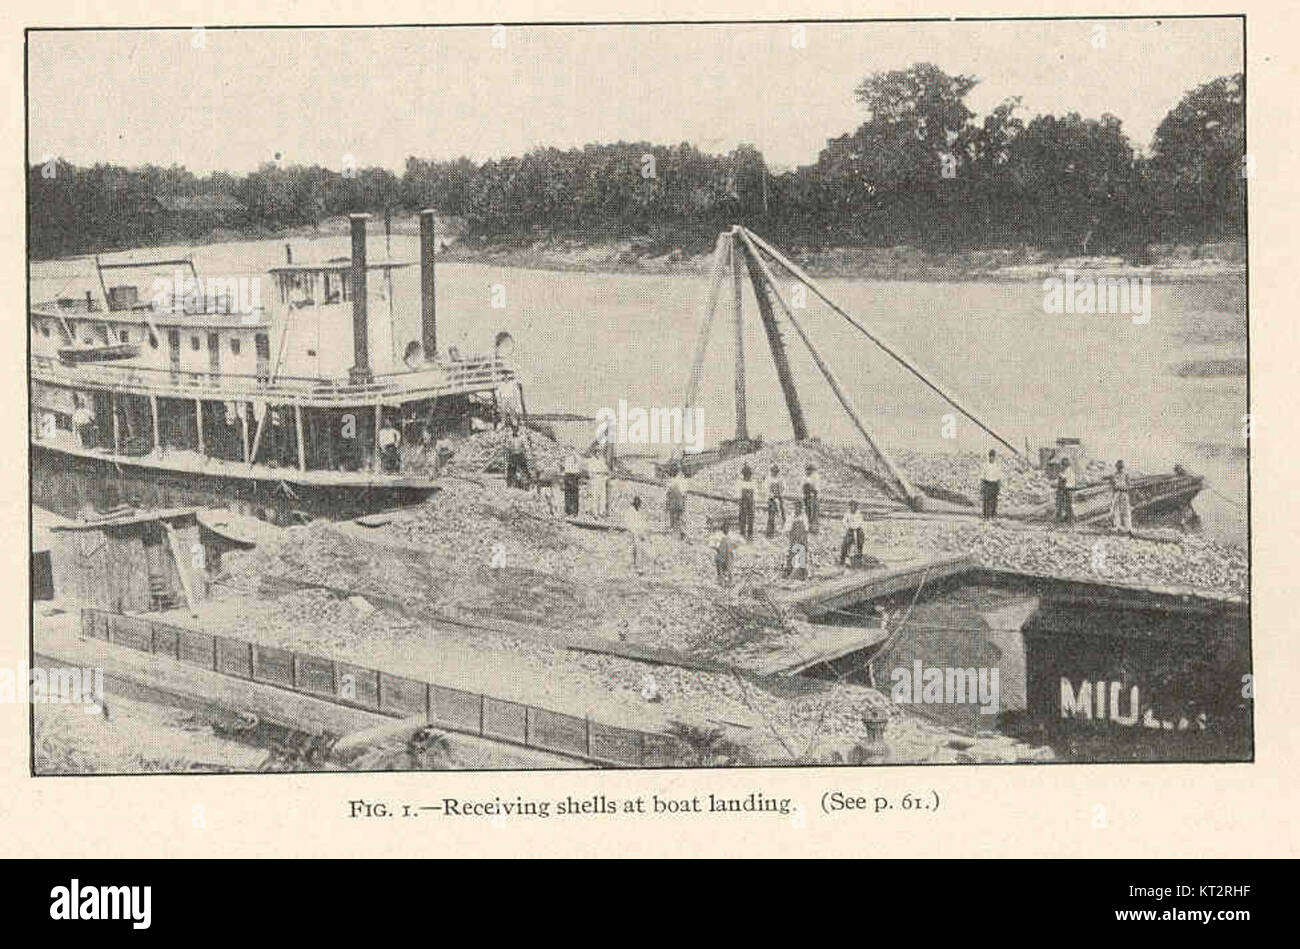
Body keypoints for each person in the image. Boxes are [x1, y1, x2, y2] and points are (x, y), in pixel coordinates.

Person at [785, 506, 809, 580]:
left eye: (799, 508)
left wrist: (805, 537)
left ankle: (803, 574)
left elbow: (806, 527)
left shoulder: (803, 516)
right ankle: (788, 572)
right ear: (795, 508)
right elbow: (787, 526)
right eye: (796, 508)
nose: (798, 509)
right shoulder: (791, 516)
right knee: (791, 553)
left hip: (801, 536)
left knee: (802, 553)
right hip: (793, 536)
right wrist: (789, 534)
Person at [625, 495, 648, 570]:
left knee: (640, 549)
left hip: (638, 532)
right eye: (637, 503)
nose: (638, 505)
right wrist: (633, 531)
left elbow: (642, 522)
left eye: (639, 503)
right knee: (633, 548)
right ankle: (632, 563)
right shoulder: (630, 511)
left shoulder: (639, 511)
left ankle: (638, 564)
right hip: (632, 532)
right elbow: (628, 523)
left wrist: (642, 532)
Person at [665, 464, 688, 538]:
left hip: (678, 501)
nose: (673, 472)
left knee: (678, 517)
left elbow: (683, 494)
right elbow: (668, 493)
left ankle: (681, 533)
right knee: (674, 517)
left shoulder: (680, 480)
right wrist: (668, 503)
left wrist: (683, 503)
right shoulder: (673, 480)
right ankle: (675, 532)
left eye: (675, 470)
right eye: (673, 470)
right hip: (674, 501)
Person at [840, 500, 865, 566]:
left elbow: (861, 521)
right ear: (850, 506)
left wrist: (857, 527)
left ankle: (859, 557)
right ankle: (844, 558)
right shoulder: (847, 513)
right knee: (845, 543)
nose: (853, 507)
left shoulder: (858, 513)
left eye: (854, 506)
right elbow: (844, 522)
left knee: (860, 541)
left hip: (857, 529)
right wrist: (848, 527)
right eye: (851, 506)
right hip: (850, 530)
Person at [1110, 459, 1133, 533]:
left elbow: (1128, 485)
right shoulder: (1114, 475)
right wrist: (1117, 487)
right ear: (1117, 467)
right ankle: (1116, 526)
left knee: (1125, 510)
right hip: (1117, 493)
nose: (1120, 468)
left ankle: (1128, 527)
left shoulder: (1126, 475)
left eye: (1121, 467)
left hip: (1123, 493)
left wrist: (1122, 487)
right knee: (1115, 510)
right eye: (1119, 466)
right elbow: (1113, 485)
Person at [979, 449, 1003, 519]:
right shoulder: (985, 465)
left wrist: (999, 486)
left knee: (994, 500)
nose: (991, 458)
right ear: (989, 457)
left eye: (993, 456)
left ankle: (993, 515)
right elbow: (982, 476)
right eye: (990, 456)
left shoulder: (997, 466)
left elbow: (999, 477)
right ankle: (985, 515)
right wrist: (982, 486)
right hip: (987, 483)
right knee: (986, 500)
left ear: (995, 457)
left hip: (994, 484)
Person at [585, 449, 609, 517]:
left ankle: (601, 511)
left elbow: (606, 469)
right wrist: (594, 476)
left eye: (599, 453)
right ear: (594, 454)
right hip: (594, 480)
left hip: (602, 480)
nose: (598, 454)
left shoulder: (602, 460)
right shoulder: (591, 461)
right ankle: (594, 512)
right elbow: (590, 472)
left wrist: (604, 475)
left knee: (602, 496)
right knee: (594, 496)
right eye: (597, 453)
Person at [711, 522, 736, 586]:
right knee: (728, 567)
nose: (726, 530)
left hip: (724, 557)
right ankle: (727, 580)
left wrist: (716, 548)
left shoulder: (723, 539)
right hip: (728, 557)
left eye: (726, 528)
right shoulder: (730, 538)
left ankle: (722, 580)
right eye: (725, 529)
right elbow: (732, 549)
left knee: (718, 561)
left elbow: (720, 549)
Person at [505, 424, 529, 489]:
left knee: (524, 470)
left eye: (516, 429)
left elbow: (525, 446)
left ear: (517, 430)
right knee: (511, 470)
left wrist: (525, 453)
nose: (515, 430)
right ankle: (509, 485)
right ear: (512, 430)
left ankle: (526, 485)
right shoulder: (509, 438)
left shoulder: (521, 438)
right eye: (513, 429)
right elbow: (507, 447)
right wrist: (507, 456)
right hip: (513, 455)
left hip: (520, 455)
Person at [736, 463, 756, 542]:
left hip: (750, 502)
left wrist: (752, 500)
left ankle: (750, 534)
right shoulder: (740, 482)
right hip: (743, 501)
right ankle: (742, 533)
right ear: (744, 474)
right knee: (742, 518)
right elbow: (738, 493)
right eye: (746, 474)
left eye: (748, 474)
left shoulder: (752, 482)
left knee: (751, 518)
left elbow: (754, 492)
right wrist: (741, 500)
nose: (748, 476)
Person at [765, 464, 786, 537]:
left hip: (779, 497)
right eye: (773, 471)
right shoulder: (768, 479)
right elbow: (766, 489)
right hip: (771, 499)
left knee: (782, 514)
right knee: (771, 515)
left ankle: (781, 530)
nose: (775, 473)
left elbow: (783, 488)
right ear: (771, 471)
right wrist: (772, 496)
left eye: (776, 471)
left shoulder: (780, 479)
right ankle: (770, 532)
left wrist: (780, 494)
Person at [1055, 458, 1077, 523]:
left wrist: (1059, 476)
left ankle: (1070, 519)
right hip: (1070, 488)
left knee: (1067, 505)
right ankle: (1068, 518)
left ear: (1064, 465)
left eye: (1062, 464)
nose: (1062, 466)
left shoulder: (1067, 471)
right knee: (1068, 505)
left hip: (1068, 489)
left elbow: (1063, 479)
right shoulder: (1070, 470)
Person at [801, 463, 821, 533]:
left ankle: (814, 529)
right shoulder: (805, 477)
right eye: (807, 470)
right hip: (806, 496)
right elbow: (803, 487)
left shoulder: (815, 477)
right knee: (807, 512)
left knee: (814, 513)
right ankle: (808, 527)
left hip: (813, 497)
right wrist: (805, 494)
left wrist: (812, 494)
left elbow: (816, 489)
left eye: (810, 470)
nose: (808, 471)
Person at [562, 452, 582, 517]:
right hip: (567, 475)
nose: (569, 451)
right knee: (568, 495)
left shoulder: (577, 457)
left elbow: (580, 467)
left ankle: (575, 512)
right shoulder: (566, 457)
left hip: (574, 476)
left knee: (574, 495)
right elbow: (564, 467)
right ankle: (568, 511)